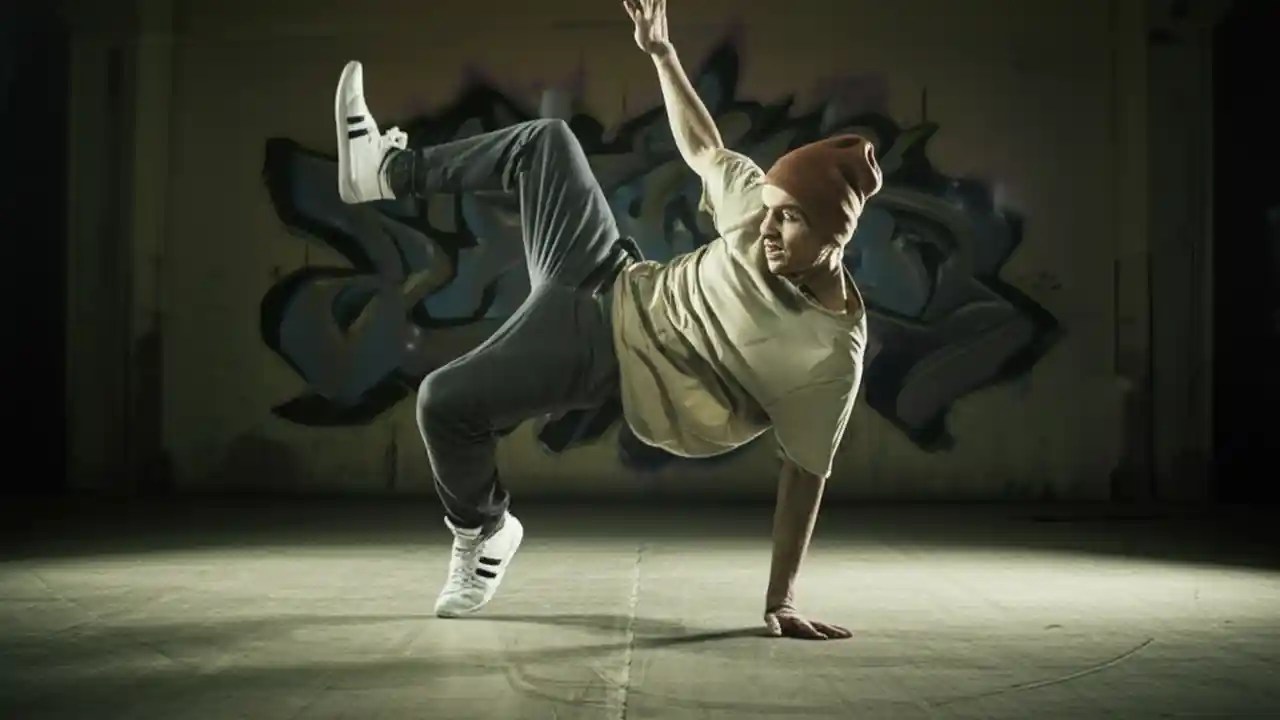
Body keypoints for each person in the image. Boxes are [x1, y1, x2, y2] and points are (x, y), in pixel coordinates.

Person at [333, 0, 881, 639]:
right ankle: (383, 170)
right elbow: (705, 148)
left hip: (611, 350)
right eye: (770, 209)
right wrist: (662, 53)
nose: (768, 229)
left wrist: (780, 599)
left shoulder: (829, 352)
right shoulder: (757, 215)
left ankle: (483, 532)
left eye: (790, 219)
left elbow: (804, 474)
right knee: (546, 142)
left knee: (442, 402)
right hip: (613, 275)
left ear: (834, 238)